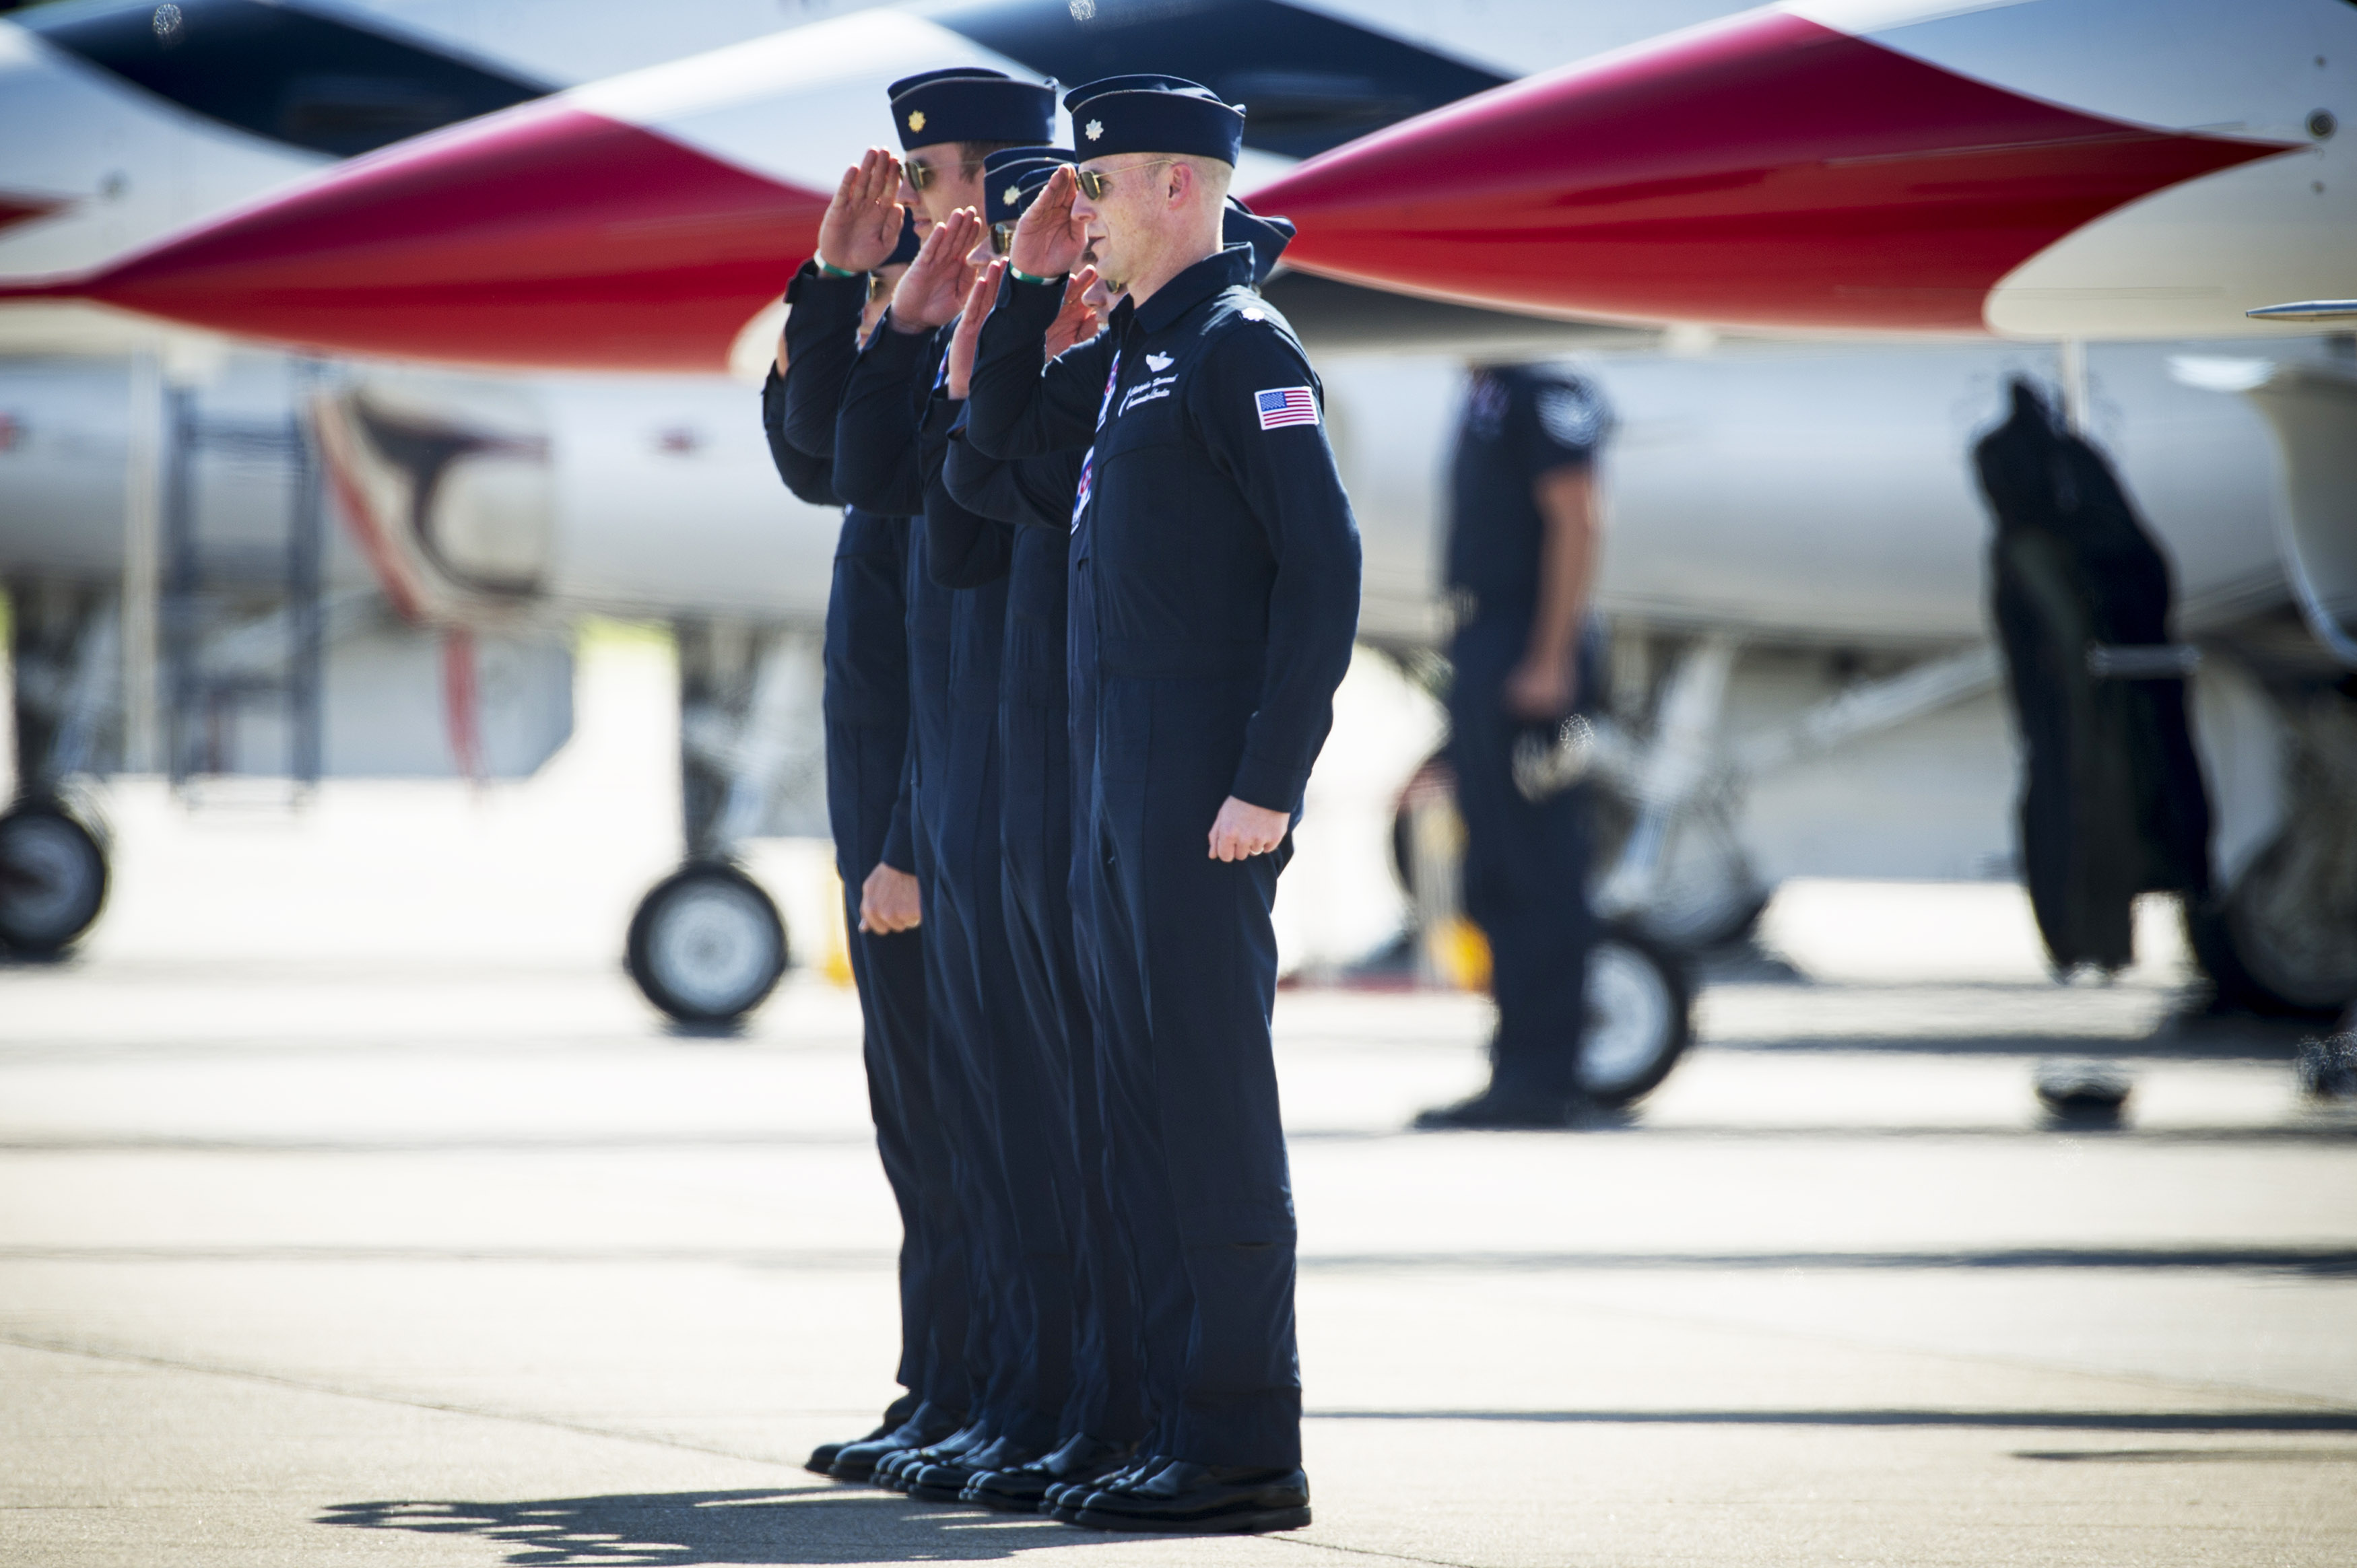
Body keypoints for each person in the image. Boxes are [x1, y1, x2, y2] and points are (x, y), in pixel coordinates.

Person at [966, 74, 1360, 1535]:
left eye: (1104, 186)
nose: (1084, 213)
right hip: (1120, 801)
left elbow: (1321, 571)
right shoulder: (1136, 354)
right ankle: (1163, 1428)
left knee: (1208, 1120)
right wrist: (1011, 302)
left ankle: (1247, 1447)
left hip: (1205, 803)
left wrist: (1268, 778)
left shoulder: (1237, 345)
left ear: (1181, 189)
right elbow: (981, 458)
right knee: (1131, 1119)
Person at [824, 67, 1071, 1498]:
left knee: (993, 1115)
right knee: (919, 1110)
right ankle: (950, 1381)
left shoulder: (1021, 359)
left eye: (933, 185)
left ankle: (1011, 1392)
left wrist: (916, 832)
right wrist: (846, 295)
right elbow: (825, 465)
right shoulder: (926, 323)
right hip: (892, 767)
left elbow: (967, 639)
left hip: (951, 785)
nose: (916, 205)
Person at [1412, 363, 1611, 1130]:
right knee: (1493, 869)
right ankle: (1516, 1064)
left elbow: (1577, 516)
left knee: (1538, 867)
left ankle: (1546, 1073)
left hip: (1526, 643)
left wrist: (1550, 656)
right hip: (1482, 644)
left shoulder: (1537, 381)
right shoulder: (1482, 380)